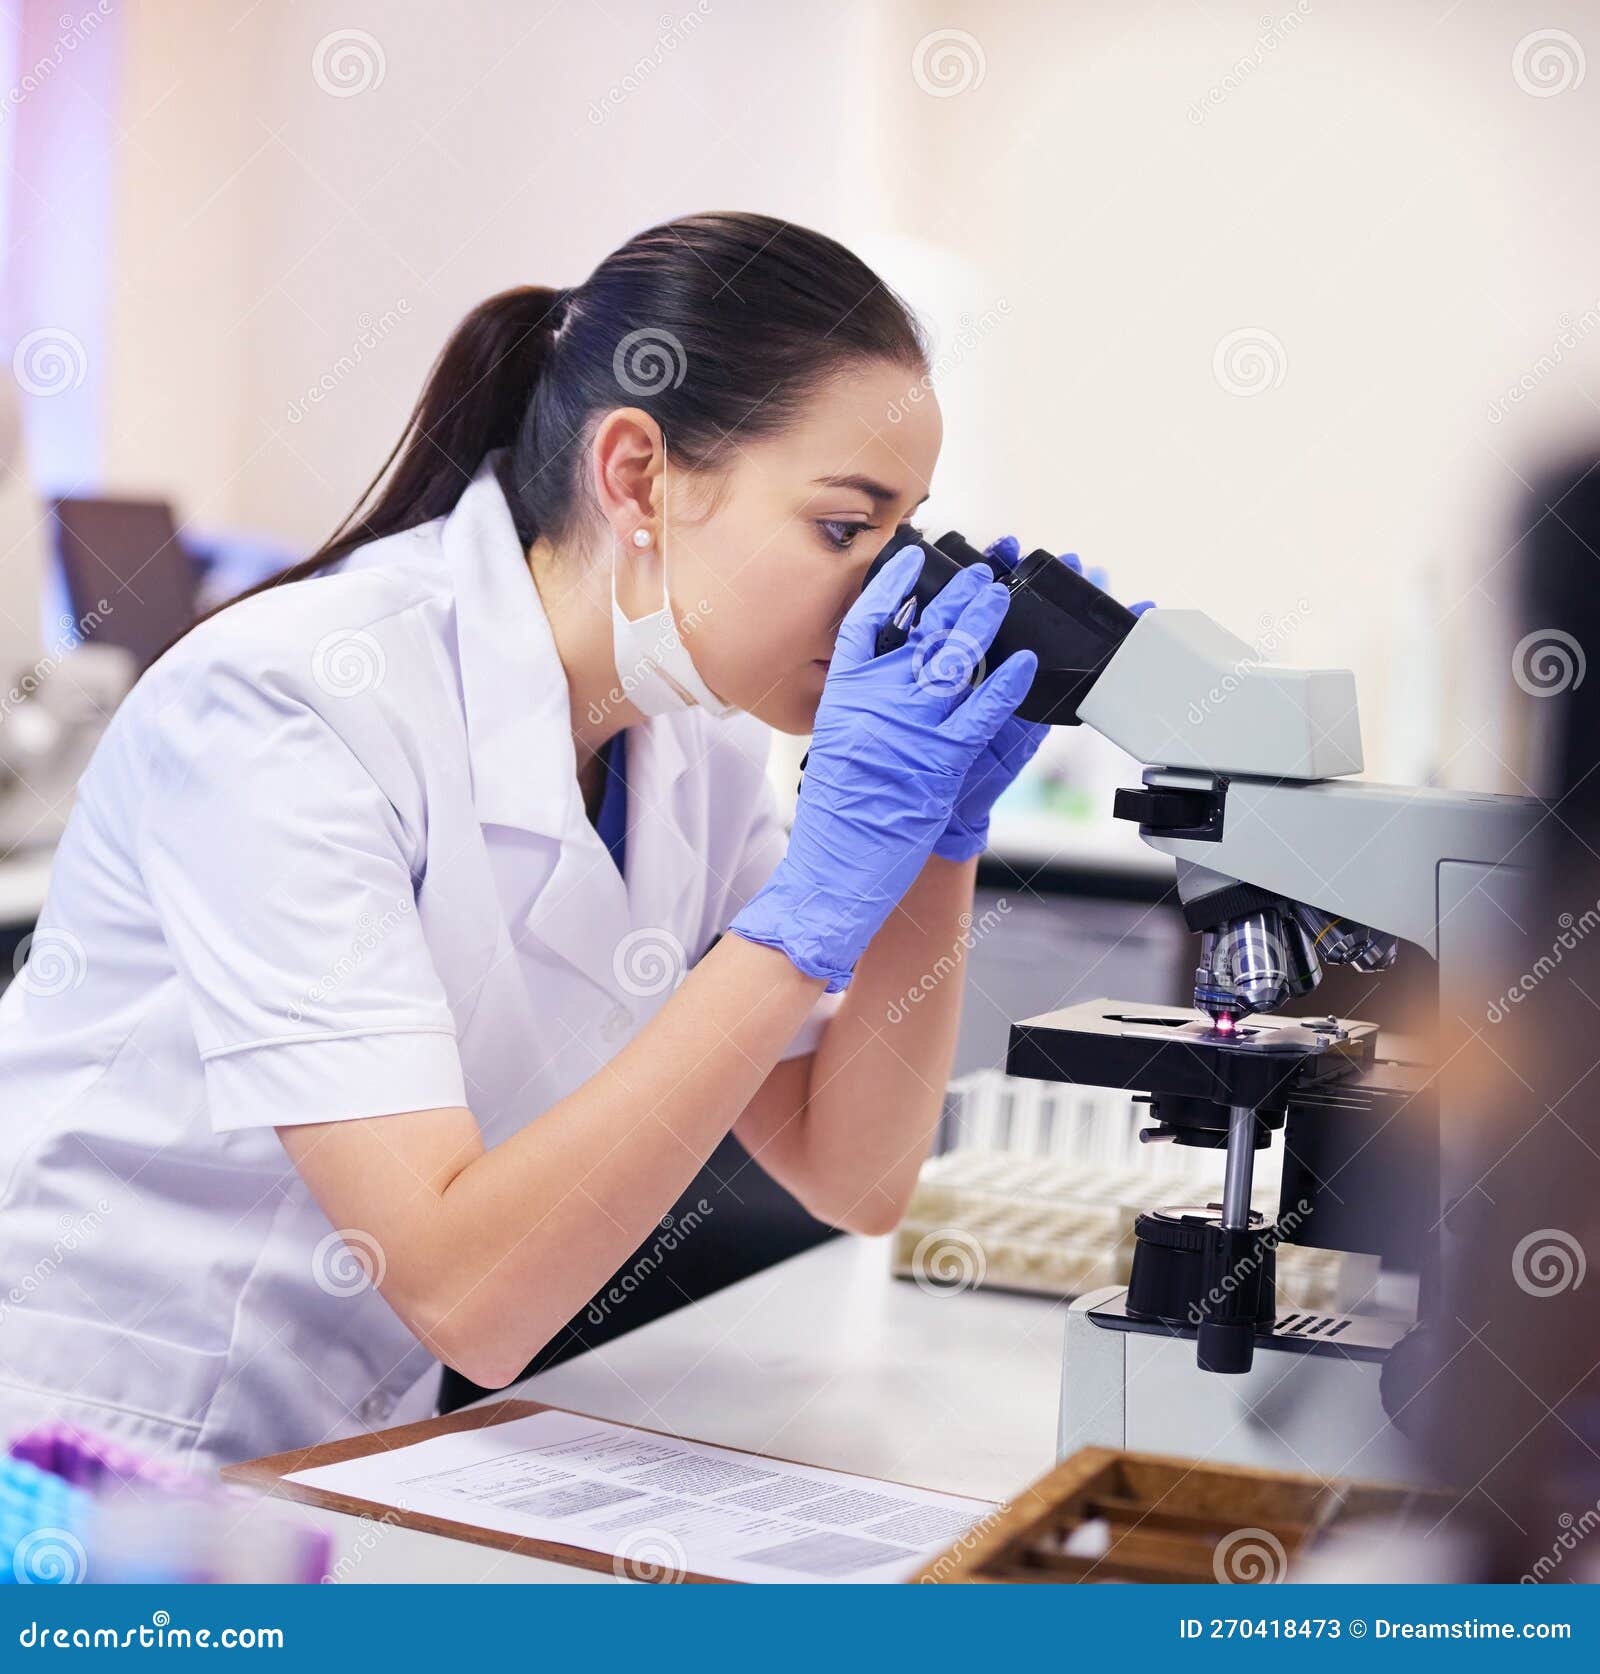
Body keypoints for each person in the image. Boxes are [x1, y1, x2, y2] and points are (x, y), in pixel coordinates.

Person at [0, 212, 1050, 1467]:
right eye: (842, 528)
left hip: (345, 1448)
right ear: (636, 476)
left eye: (903, 534)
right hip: (84, 1437)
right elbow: (467, 1296)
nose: (891, 593)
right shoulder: (291, 698)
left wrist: (936, 836)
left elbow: (854, 1172)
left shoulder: (690, 740)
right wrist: (799, 924)